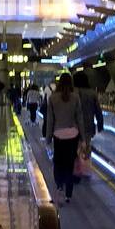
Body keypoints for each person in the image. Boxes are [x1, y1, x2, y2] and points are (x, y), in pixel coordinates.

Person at [45, 72, 86, 203]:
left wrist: (48, 137)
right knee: (70, 163)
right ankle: (69, 193)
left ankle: (59, 187)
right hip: (73, 134)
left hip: (58, 134)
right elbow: (80, 118)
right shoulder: (75, 97)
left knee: (58, 162)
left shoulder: (53, 98)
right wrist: (83, 138)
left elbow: (50, 120)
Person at [72, 70, 104, 179]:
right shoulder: (92, 93)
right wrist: (100, 123)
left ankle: (75, 169)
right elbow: (98, 110)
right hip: (88, 125)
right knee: (86, 148)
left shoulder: (72, 92)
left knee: (74, 147)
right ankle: (85, 169)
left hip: (73, 125)